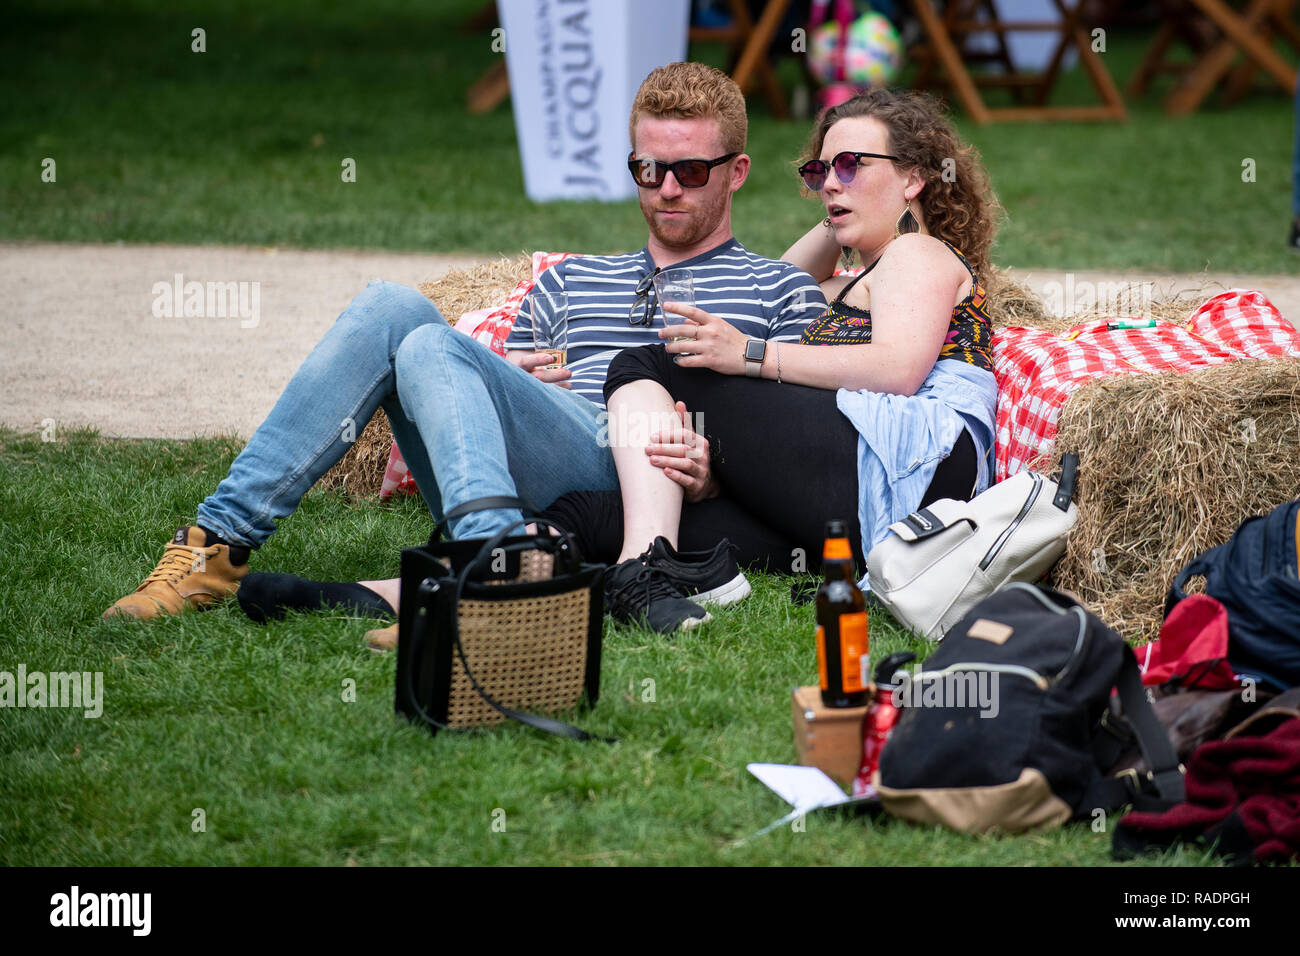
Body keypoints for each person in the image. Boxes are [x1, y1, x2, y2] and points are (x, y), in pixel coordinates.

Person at [103, 62, 827, 631]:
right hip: (536, 462)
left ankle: (486, 572)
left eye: (690, 172)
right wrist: (498, 380)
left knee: (432, 346)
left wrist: (714, 472)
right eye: (648, 169)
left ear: (736, 172)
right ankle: (214, 546)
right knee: (398, 313)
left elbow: (791, 455)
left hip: (637, 485)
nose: (666, 189)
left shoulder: (779, 292)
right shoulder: (571, 280)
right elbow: (487, 384)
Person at [559, 88, 1002, 632]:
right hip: (857, 494)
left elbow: (898, 371)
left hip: (907, 466)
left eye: (852, 165)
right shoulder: (852, 280)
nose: (831, 183)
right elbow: (785, 276)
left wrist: (750, 353)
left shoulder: (917, 255)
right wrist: (849, 197)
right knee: (591, 514)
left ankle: (639, 570)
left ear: (913, 178)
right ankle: (504, 564)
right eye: (821, 171)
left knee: (653, 362)